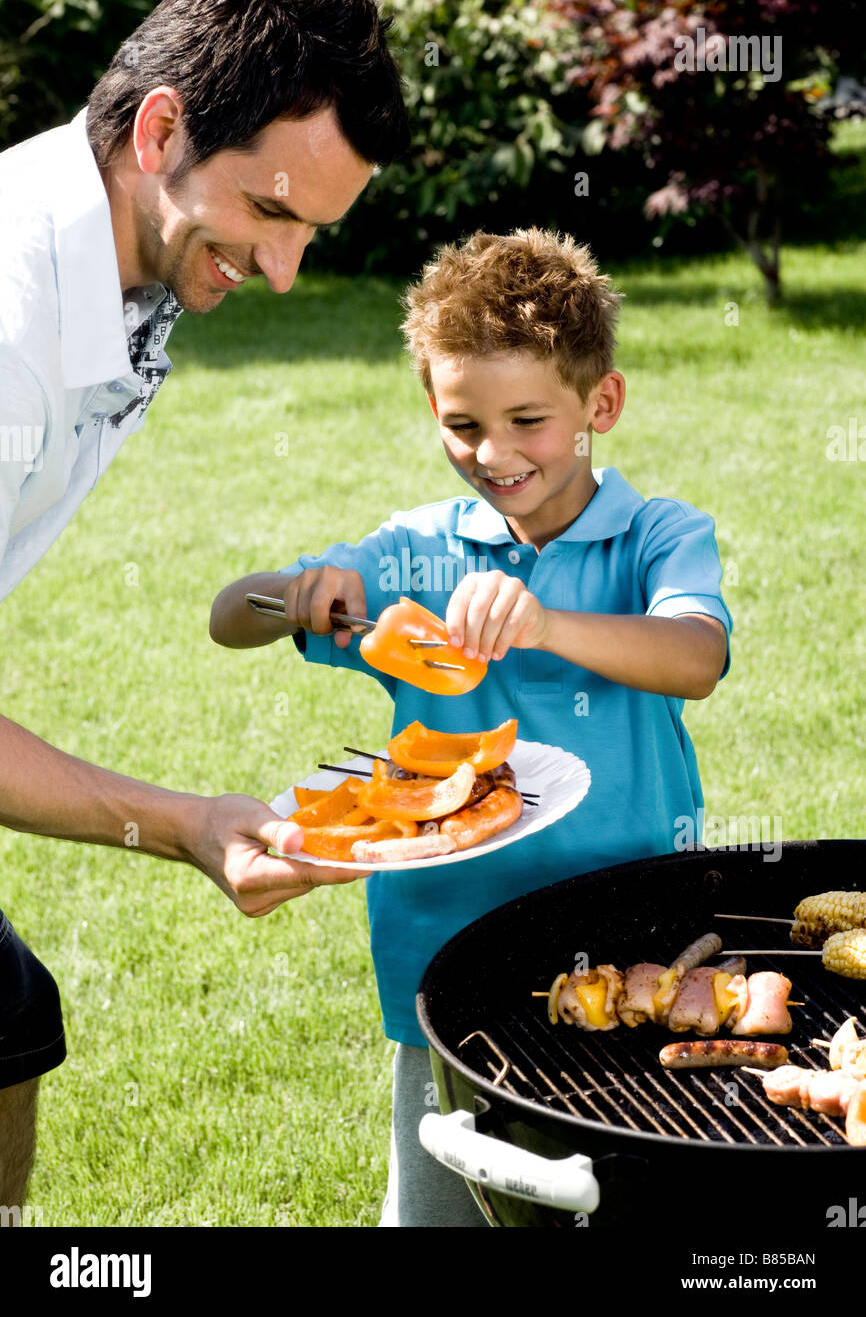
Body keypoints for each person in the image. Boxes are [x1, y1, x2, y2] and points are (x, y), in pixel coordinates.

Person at [208, 227, 733, 1226]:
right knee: (441, 1206)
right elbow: (227, 614)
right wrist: (294, 594)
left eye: (526, 420)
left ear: (599, 406)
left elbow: (693, 657)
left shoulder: (657, 535)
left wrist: (544, 623)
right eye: (461, 425)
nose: (492, 456)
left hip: (629, 943)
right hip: (448, 966)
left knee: (621, 1190)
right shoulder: (412, 553)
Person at [0, 0, 409, 1209]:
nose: (283, 272)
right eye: (272, 215)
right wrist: (182, 823)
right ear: (161, 126)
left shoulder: (133, 255)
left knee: (9, 1021)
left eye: (310, 235)